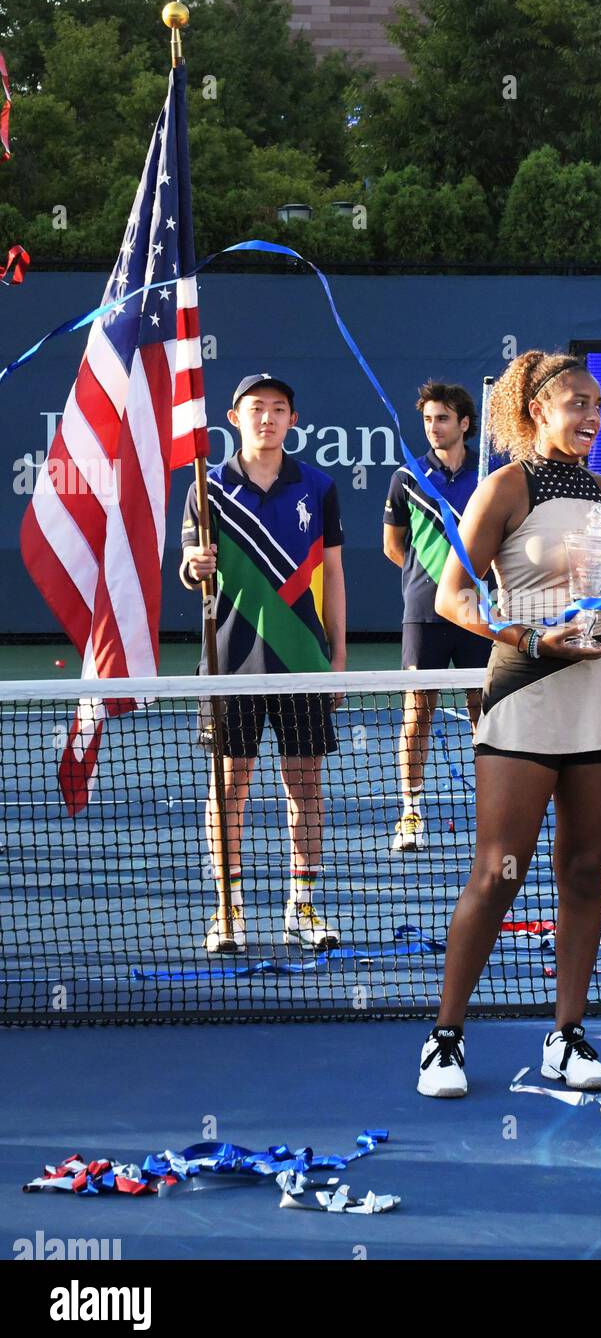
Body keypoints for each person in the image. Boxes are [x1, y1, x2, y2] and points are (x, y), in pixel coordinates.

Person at [416, 350, 601, 1098]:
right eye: (576, 402)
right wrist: (525, 638)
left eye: (598, 404)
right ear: (536, 410)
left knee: (583, 871)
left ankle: (566, 1037)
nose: (591, 416)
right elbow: (453, 598)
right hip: (524, 684)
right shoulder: (504, 486)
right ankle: (444, 1040)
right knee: (497, 872)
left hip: (599, 693)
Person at [181, 373, 347, 955]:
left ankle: (301, 908)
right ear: (235, 418)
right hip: (230, 664)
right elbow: (188, 566)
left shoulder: (319, 487)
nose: (268, 418)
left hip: (303, 660)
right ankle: (229, 912)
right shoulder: (208, 488)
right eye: (257, 408)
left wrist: (339, 658)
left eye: (279, 408)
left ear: (293, 421)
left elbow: (335, 574)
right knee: (230, 789)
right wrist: (195, 567)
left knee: (305, 787)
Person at [383, 381, 491, 853]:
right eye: (428, 419)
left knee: (485, 711)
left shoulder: (490, 476)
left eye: (443, 418)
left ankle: (495, 805)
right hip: (422, 614)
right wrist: (433, 581)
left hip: (477, 613)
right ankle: (410, 812)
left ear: (465, 424)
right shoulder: (406, 478)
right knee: (417, 713)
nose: (433, 427)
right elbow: (393, 546)